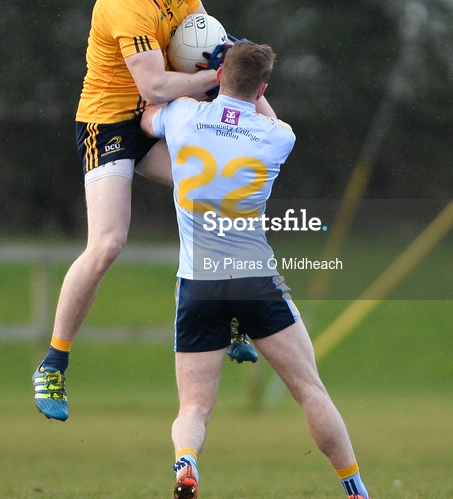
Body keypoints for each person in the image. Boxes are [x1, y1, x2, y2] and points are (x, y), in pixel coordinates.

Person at [32, 0, 267, 422]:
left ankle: (229, 312)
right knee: (107, 244)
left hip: (157, 116)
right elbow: (156, 84)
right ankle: (53, 363)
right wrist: (216, 77)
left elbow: (198, 38)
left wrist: (229, 60)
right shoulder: (123, 4)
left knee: (219, 193)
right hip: (109, 123)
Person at [140, 41, 373, 499]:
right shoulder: (277, 136)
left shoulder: (183, 115)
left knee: (194, 407)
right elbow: (261, 111)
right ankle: (355, 489)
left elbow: (147, 117)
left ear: (219, 75)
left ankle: (186, 460)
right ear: (263, 87)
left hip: (199, 282)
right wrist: (241, 83)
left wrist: (196, 78)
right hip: (254, 279)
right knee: (310, 391)